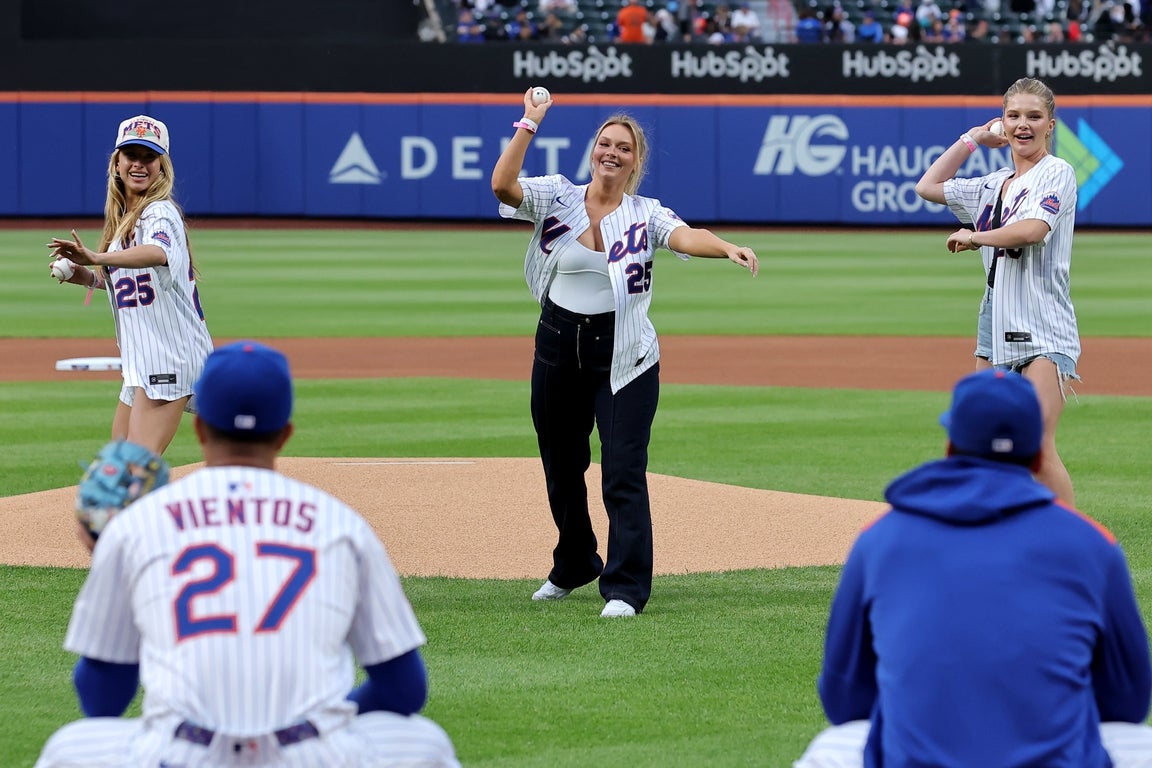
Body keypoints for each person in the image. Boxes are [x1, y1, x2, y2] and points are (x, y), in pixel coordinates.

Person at [35, 341, 461, 768]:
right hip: (313, 755)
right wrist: (325, 717)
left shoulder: (139, 525)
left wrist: (109, 558)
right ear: (285, 434)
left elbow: (102, 698)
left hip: (180, 755)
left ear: (201, 431)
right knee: (425, 740)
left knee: (72, 744)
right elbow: (404, 690)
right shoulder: (342, 525)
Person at [795, 369, 1152, 767]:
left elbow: (845, 700)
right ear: (1038, 455)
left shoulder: (881, 538)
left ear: (951, 445)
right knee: (1137, 740)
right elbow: (1128, 701)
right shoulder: (1092, 544)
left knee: (834, 743)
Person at [490, 90, 759, 618]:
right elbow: (503, 186)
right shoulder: (558, 195)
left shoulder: (644, 213)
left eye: (624, 148)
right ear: (593, 150)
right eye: (605, 144)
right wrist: (529, 123)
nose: (611, 152)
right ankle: (574, 563)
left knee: (623, 471)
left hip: (626, 353)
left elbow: (685, 236)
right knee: (561, 465)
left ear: (636, 161)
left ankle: (626, 587)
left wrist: (725, 247)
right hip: (556, 344)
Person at [915, 77, 1080, 506]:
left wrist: (975, 237)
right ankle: (999, 527)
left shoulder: (1056, 172)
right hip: (995, 318)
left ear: (1050, 125)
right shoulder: (990, 185)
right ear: (1002, 123)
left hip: (1044, 321)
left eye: (1034, 116)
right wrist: (973, 138)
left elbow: (1032, 230)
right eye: (1013, 116)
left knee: (1036, 444)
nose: (1023, 125)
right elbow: (927, 186)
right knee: (983, 437)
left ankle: (1071, 536)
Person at [47, 115, 213, 458]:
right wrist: (86, 277)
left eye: (149, 157)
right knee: (117, 460)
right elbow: (136, 284)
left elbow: (157, 252)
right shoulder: (125, 218)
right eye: (131, 155)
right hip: (144, 360)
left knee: (133, 467)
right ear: (117, 163)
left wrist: (96, 256)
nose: (139, 164)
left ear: (162, 166)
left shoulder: (159, 213)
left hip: (169, 356)